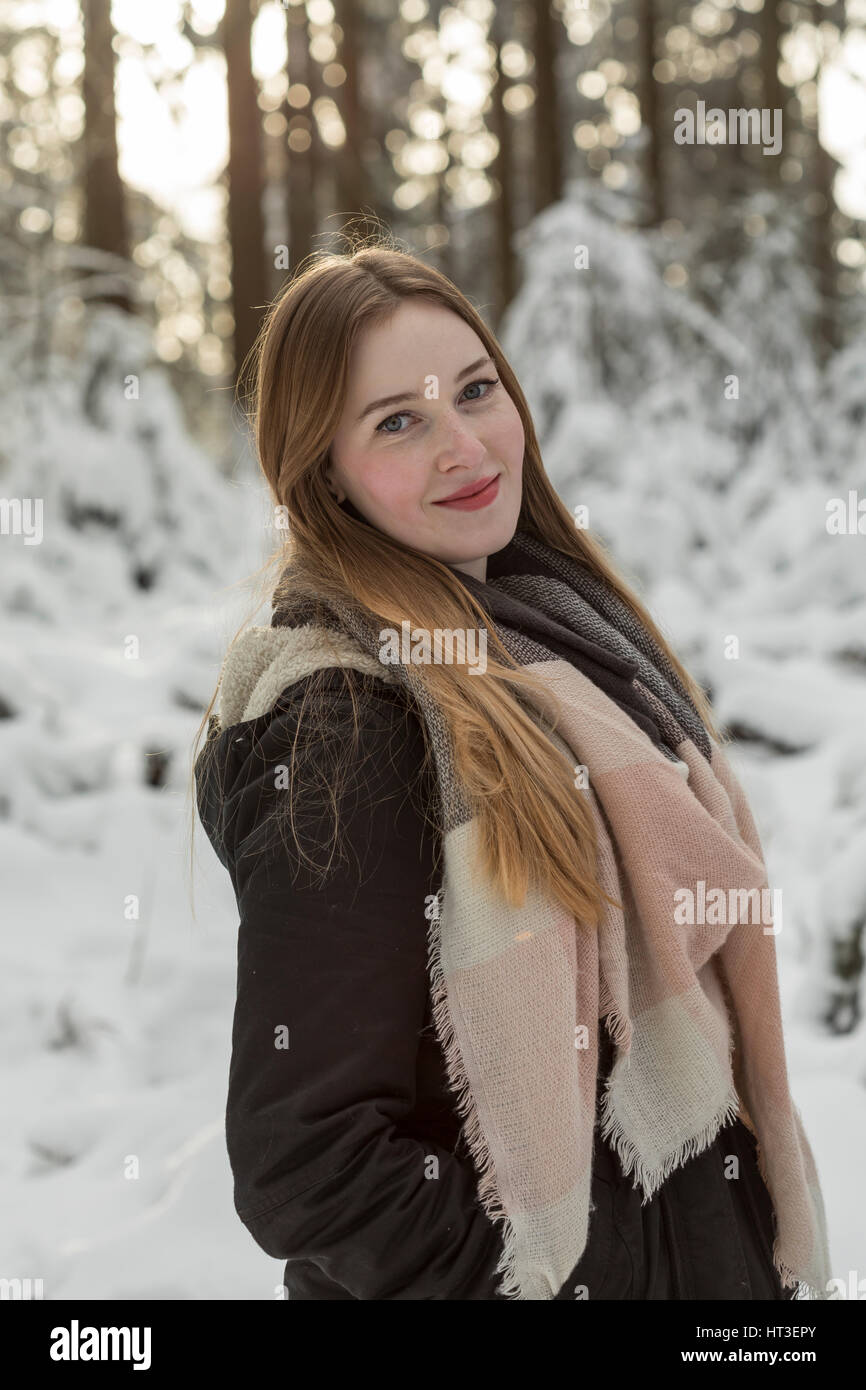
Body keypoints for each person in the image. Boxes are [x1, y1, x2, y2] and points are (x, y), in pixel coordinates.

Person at [192, 237, 831, 1301]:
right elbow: (306, 1161)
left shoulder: (561, 643)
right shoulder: (345, 721)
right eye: (397, 420)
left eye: (476, 391)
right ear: (325, 476)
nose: (464, 444)